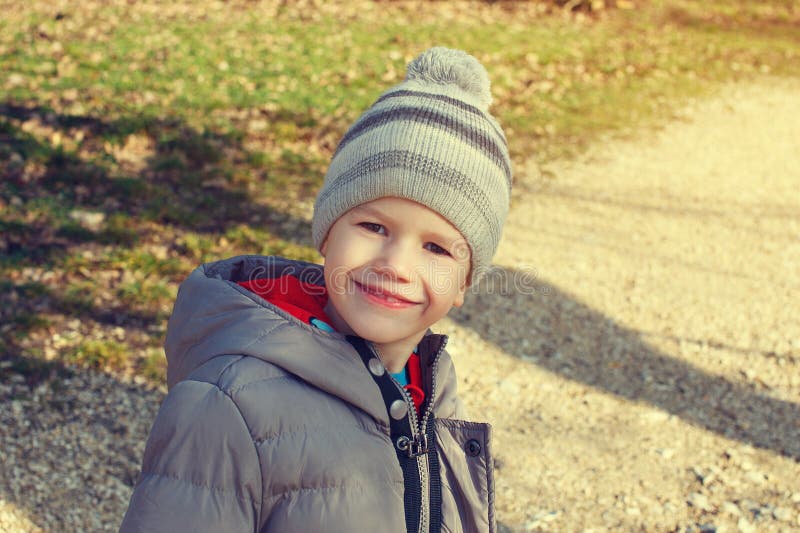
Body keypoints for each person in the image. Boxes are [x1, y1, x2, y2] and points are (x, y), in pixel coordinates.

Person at [119, 46, 511, 533]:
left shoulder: (431, 390)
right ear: (327, 235)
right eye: (373, 226)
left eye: (436, 248)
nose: (395, 265)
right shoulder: (229, 405)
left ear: (464, 284)